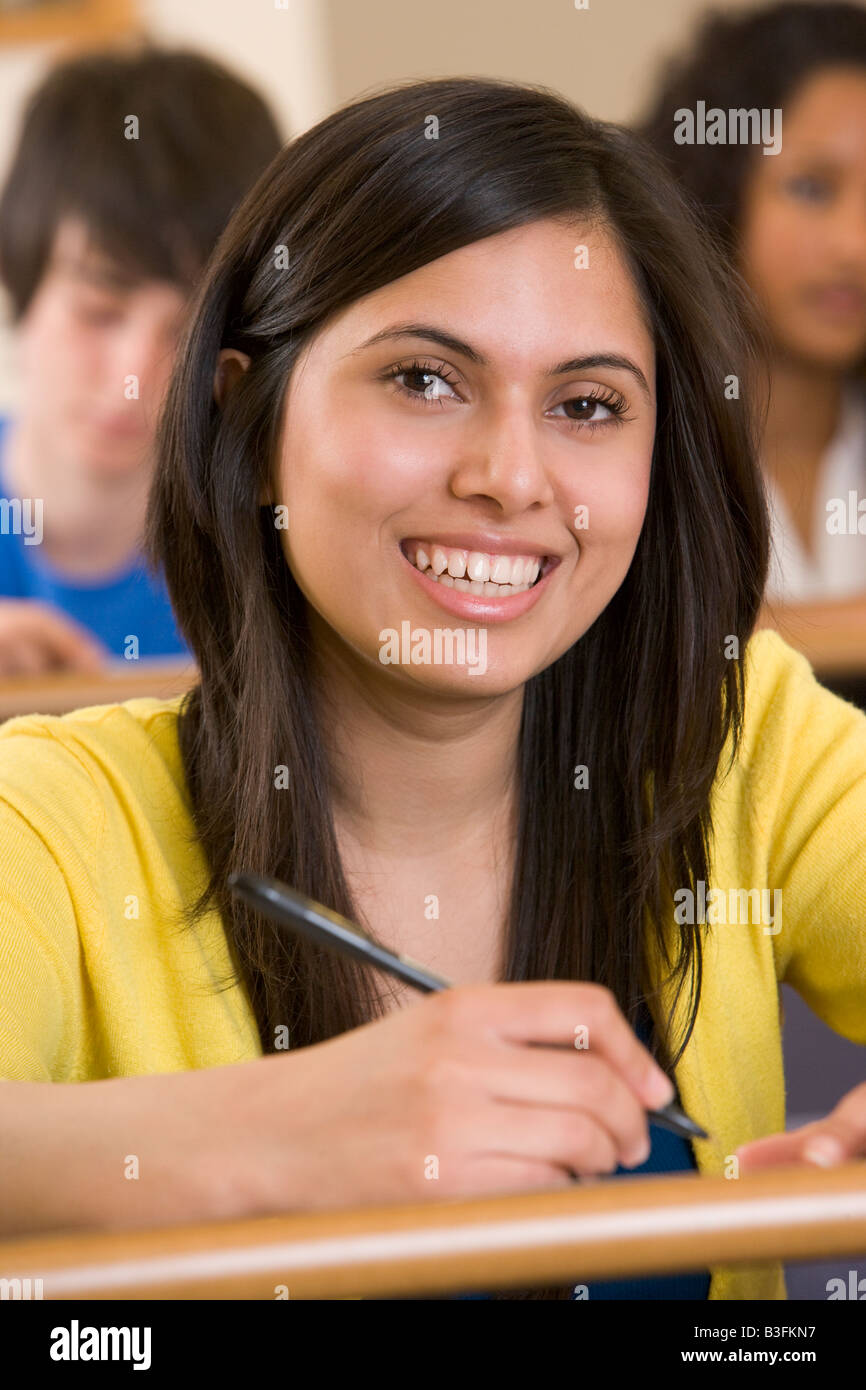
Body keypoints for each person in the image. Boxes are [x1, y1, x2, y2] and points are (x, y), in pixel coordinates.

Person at [0, 75, 864, 1303]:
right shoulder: (54, 817)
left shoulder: (741, 739)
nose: (510, 476)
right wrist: (276, 1133)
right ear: (247, 420)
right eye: (422, 379)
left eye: (585, 405)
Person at [0, 46, 283, 675]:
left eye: (188, 332)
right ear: (20, 277)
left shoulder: (278, 560)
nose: (133, 377)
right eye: (99, 310)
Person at [638, 1, 866, 692]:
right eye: (811, 188)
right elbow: (635, 645)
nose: (855, 245)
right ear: (716, 189)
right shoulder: (634, 438)